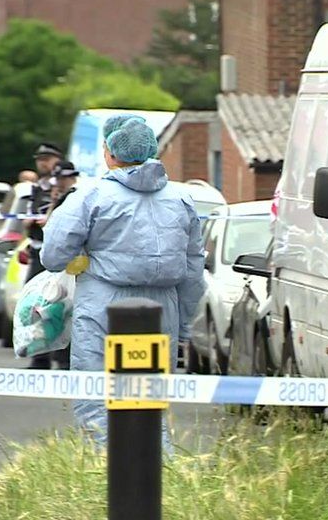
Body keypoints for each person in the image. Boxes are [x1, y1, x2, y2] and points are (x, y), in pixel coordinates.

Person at [41, 115, 205, 447]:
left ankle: (106, 470)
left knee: (97, 401)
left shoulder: (91, 196)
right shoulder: (181, 199)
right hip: (161, 312)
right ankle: (161, 472)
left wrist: (82, 254)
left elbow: (53, 255)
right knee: (149, 404)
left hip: (104, 308)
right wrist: (184, 326)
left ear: (110, 152)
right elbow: (193, 272)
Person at [26, 160, 80, 370]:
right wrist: (53, 202)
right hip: (50, 260)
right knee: (43, 309)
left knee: (63, 311)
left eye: (62, 179)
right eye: (58, 179)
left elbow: (55, 228)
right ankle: (42, 358)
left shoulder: (75, 198)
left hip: (66, 266)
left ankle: (63, 359)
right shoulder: (59, 198)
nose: (59, 183)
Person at [24, 142, 65, 282]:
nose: (42, 163)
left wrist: (50, 221)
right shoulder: (37, 188)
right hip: (36, 247)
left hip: (56, 250)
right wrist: (28, 221)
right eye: (39, 159)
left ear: (58, 160)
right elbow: (29, 213)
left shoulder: (64, 186)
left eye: (47, 159)